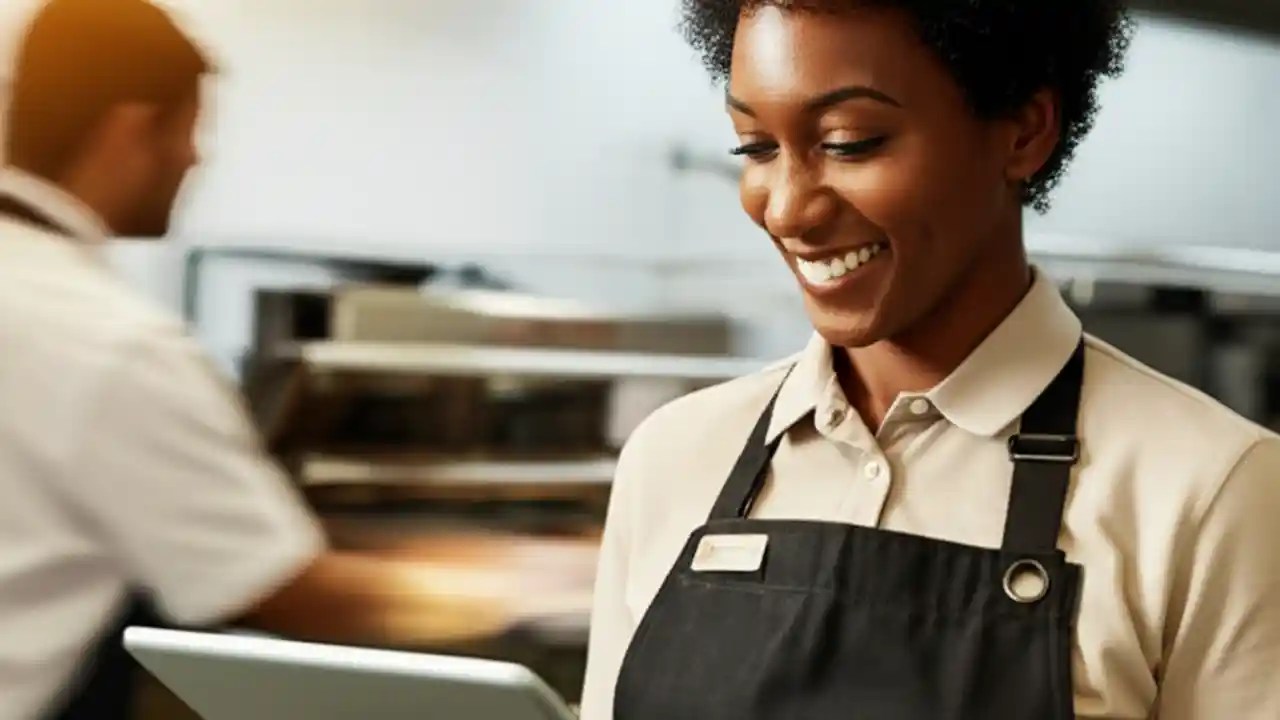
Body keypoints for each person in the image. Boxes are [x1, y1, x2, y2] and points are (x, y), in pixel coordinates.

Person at [581, 2, 1280, 719]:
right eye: (756, 148)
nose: (786, 209)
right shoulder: (672, 458)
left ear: (1025, 131)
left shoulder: (1214, 492)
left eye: (850, 142)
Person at [0, 2, 534, 719]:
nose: (197, 158)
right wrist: (518, 587)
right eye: (194, 128)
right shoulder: (109, 341)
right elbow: (289, 591)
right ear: (133, 126)